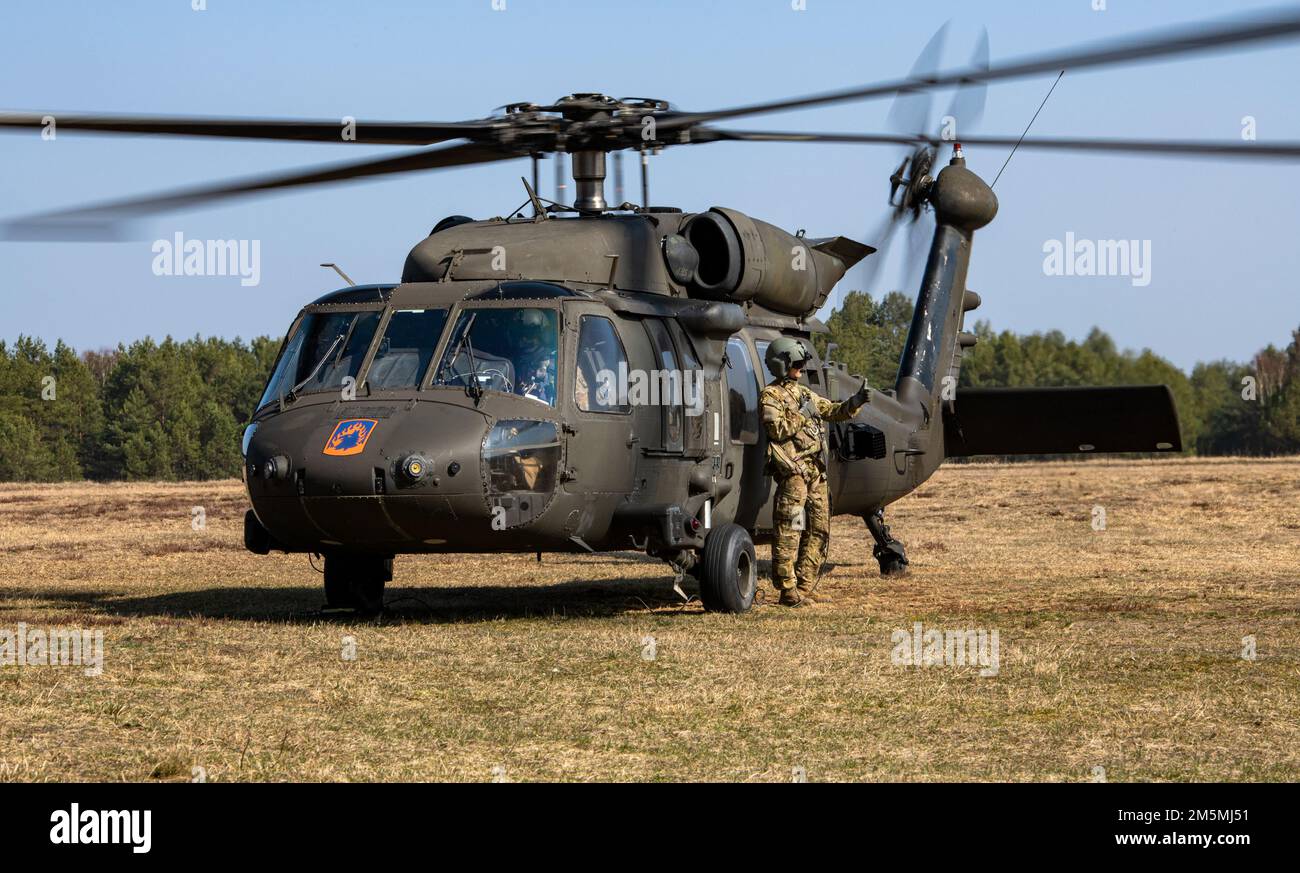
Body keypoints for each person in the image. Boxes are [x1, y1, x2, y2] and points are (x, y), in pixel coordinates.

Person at [760, 337, 869, 607]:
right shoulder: (770, 396)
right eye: (796, 363)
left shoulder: (805, 393)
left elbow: (831, 410)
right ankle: (788, 591)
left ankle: (805, 585)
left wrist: (855, 401)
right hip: (794, 475)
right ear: (782, 365)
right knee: (790, 531)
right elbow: (777, 430)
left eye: (801, 363)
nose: (801, 368)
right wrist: (803, 414)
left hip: (816, 473)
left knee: (819, 529)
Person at [511, 309, 557, 405]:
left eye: (529, 334)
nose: (524, 339)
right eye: (521, 334)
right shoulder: (511, 358)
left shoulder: (552, 360)